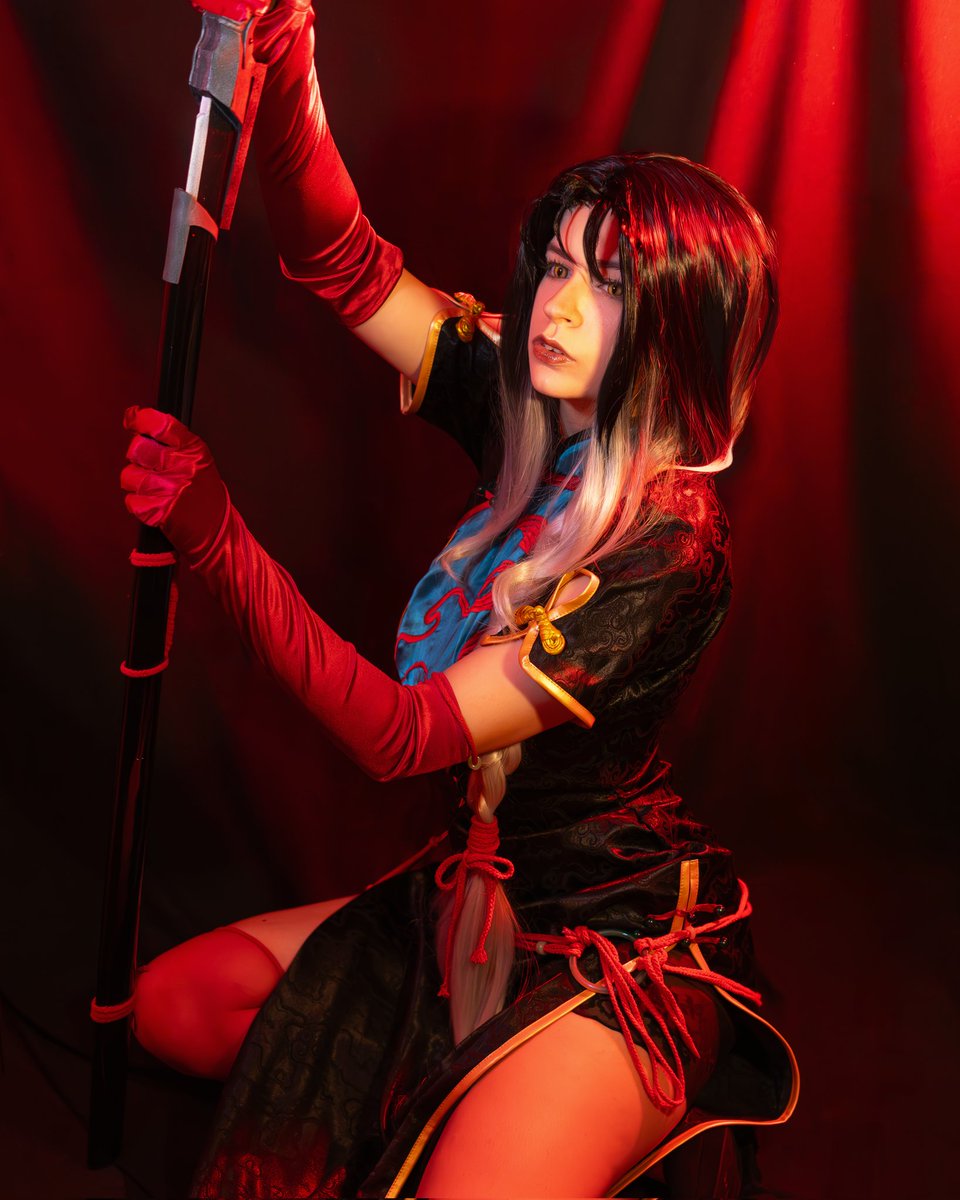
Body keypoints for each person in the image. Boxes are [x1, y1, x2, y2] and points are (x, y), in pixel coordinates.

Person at [119, 1, 798, 1195]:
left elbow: (402, 735)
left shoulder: (670, 548)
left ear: (678, 321)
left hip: (610, 944)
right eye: (558, 266)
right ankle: (464, 1081)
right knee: (174, 1008)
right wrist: (288, 60)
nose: (558, 307)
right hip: (470, 898)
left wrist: (217, 539)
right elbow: (342, 260)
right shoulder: (536, 407)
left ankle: (560, 1104)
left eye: (610, 285)